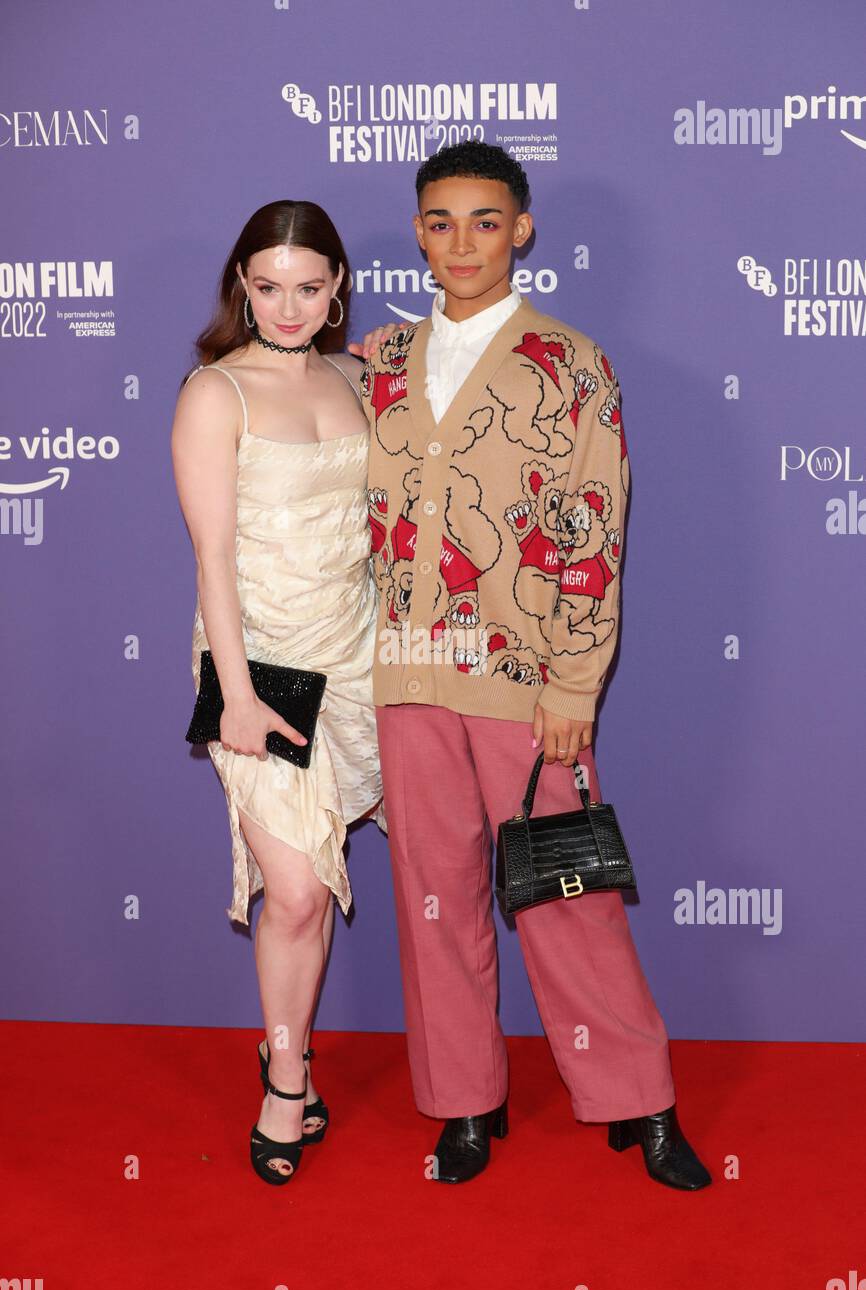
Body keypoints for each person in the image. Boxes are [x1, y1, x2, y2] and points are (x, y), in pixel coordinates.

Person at [357, 139, 712, 1190]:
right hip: (407, 677)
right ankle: (466, 1101)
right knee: (435, 897)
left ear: (520, 228)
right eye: (436, 220)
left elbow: (590, 529)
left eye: (481, 220)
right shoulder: (375, 364)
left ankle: (637, 1101)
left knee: (565, 895)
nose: (458, 242)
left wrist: (572, 686)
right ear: (416, 231)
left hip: (524, 683)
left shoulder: (569, 363)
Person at [171, 200, 398, 1187]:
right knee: (298, 892)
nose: (290, 305)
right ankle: (285, 1073)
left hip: (359, 659)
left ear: (337, 286)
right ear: (242, 286)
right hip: (256, 663)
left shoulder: (358, 378)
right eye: (269, 286)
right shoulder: (214, 393)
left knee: (318, 896)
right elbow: (212, 559)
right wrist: (231, 695)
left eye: (310, 286)